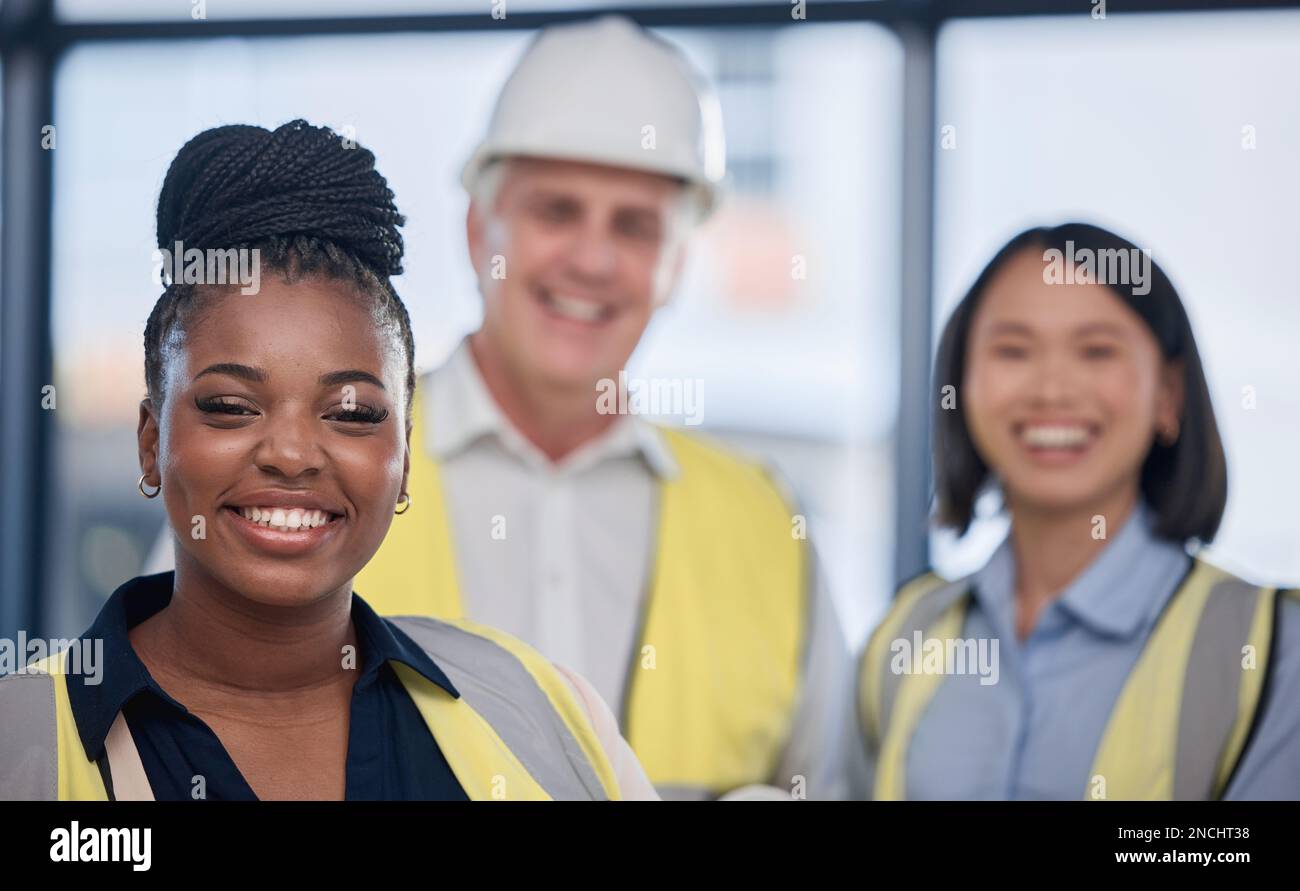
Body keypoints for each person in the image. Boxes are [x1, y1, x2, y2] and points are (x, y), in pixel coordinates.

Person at [145, 15, 862, 801]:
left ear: (676, 263)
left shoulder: (767, 525)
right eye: (557, 211)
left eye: (633, 225)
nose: (591, 259)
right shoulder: (291, 487)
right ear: (478, 226)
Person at [0, 119, 654, 801]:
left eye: (351, 413)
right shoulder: (18, 742)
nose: (291, 453)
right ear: (148, 443)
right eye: (229, 405)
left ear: (403, 454)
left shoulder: (539, 715)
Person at [858, 222, 1299, 800]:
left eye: (1096, 351)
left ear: (1168, 395)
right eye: (1013, 350)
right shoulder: (905, 636)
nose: (1052, 389)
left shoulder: (1272, 651)